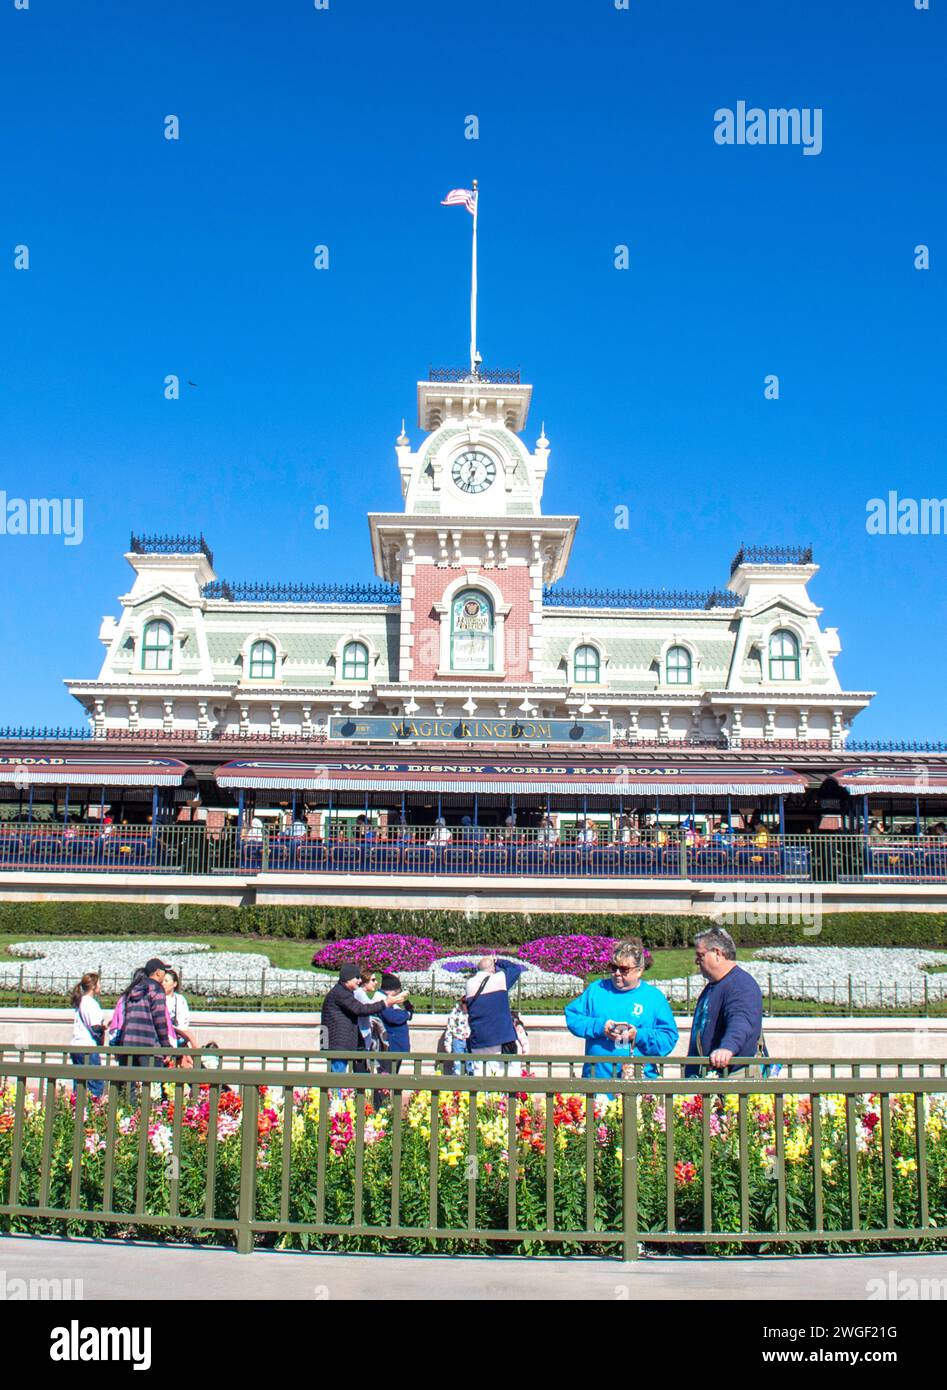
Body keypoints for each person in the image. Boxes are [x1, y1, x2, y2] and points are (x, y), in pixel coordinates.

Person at [564, 938, 678, 1085]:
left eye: (624, 969)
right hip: (597, 1082)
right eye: (613, 967)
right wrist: (600, 1027)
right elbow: (573, 1017)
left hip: (639, 1083)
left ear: (639, 971)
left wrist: (638, 1035)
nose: (617, 973)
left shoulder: (654, 998)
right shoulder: (596, 989)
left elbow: (668, 1038)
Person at [685, 926, 764, 1077]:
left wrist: (727, 1048)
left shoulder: (741, 984)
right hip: (708, 1076)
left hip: (732, 1076)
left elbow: (742, 1020)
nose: (696, 961)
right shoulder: (713, 986)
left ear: (717, 953)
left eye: (700, 955)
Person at [321, 963, 406, 1073]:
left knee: (338, 1077)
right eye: (357, 977)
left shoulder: (343, 992)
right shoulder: (341, 993)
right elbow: (361, 1009)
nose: (360, 980)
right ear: (347, 978)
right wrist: (385, 1003)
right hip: (337, 1044)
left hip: (339, 1044)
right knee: (338, 1078)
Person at [464, 955, 528, 1073]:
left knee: (481, 1078)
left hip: (478, 1040)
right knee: (508, 1075)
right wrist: (497, 961)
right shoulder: (499, 979)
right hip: (501, 1038)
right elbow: (516, 969)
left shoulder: (469, 984)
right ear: (493, 969)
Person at [114, 958, 174, 1079]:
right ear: (158, 973)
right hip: (149, 1045)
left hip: (128, 1044)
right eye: (164, 971)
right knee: (151, 1084)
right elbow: (160, 1020)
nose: (164, 975)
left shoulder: (134, 989)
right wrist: (166, 1046)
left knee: (129, 1085)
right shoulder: (156, 989)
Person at [69, 972, 109, 1099]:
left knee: (79, 1083)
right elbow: (95, 1027)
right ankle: (93, 1107)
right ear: (93, 986)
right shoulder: (91, 1003)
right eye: (99, 983)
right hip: (87, 1047)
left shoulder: (80, 1002)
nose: (100, 986)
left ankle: (77, 1107)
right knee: (95, 1083)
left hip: (76, 1045)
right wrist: (104, 1027)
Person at [162, 968, 197, 1047]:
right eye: (162, 981)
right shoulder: (158, 998)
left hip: (178, 1035)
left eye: (166, 981)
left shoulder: (180, 999)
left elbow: (183, 1022)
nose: (163, 983)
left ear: (174, 984)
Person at [442, 996, 473, 1076]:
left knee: (471, 1064)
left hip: (470, 1041)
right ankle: (457, 1080)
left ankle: (471, 1079)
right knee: (457, 1065)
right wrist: (447, 1044)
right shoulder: (455, 1013)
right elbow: (450, 1028)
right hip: (458, 1040)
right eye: (464, 1002)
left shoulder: (473, 1011)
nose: (466, 1005)